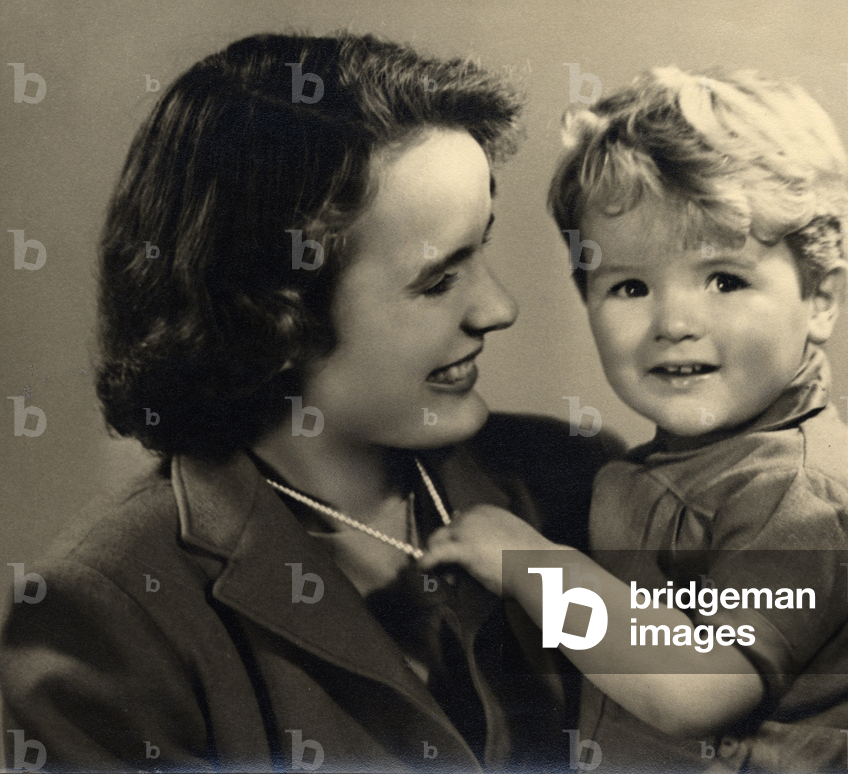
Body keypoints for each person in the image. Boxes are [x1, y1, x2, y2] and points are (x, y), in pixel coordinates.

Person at [0, 33, 620, 772]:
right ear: (274, 310)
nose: (499, 308)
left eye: (481, 250)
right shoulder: (113, 613)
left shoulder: (578, 481)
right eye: (437, 280)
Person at [422, 68, 848, 773]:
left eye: (725, 280)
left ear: (821, 298)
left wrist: (533, 566)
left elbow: (692, 689)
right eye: (630, 286)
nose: (675, 323)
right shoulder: (695, 462)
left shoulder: (803, 496)